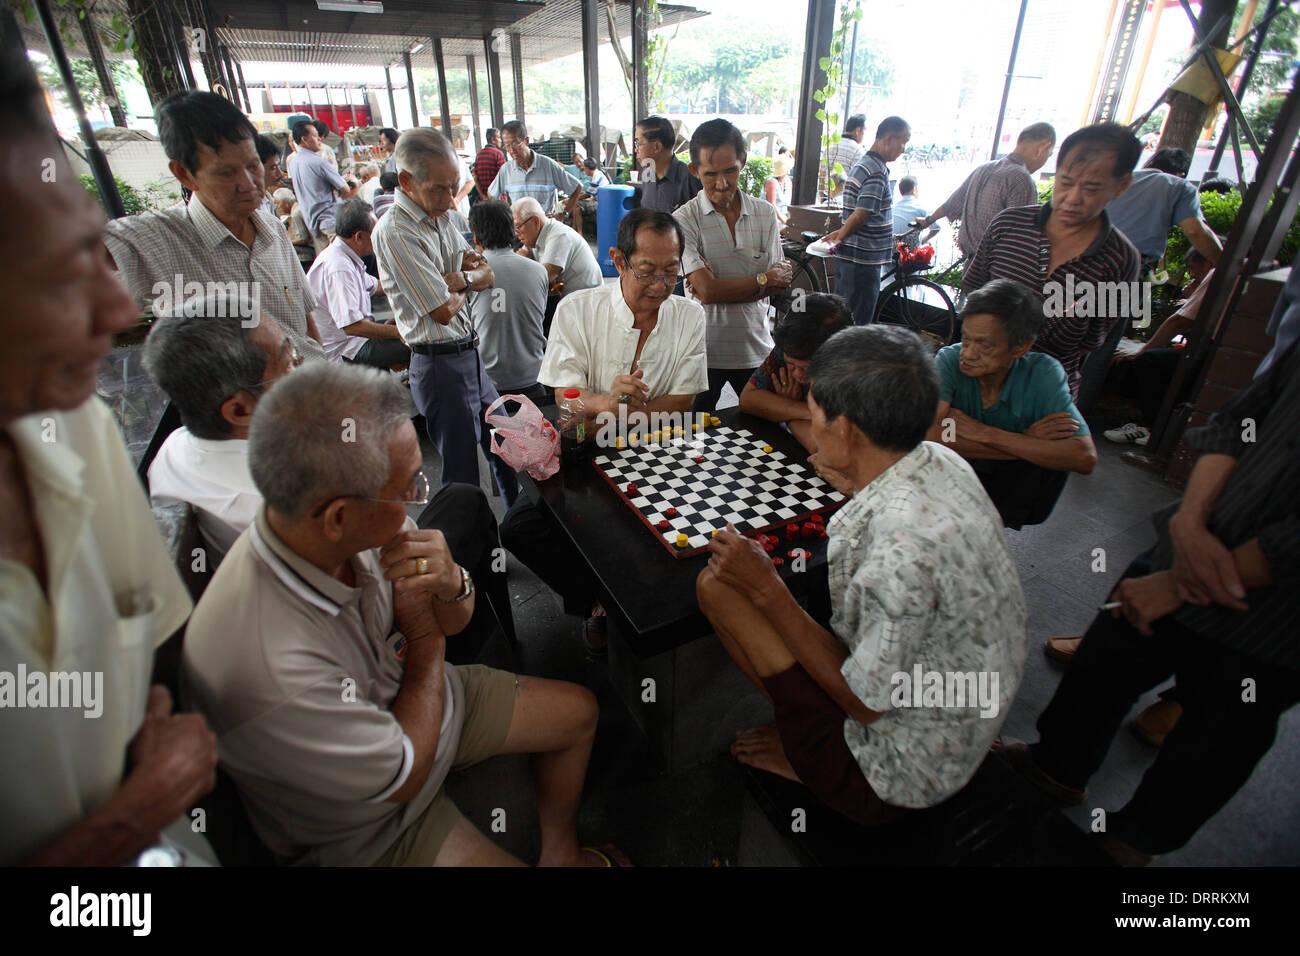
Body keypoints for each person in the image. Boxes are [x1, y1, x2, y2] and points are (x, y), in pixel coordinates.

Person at [181, 362, 624, 867]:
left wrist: (452, 584)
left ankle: (561, 855)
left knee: (579, 713)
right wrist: (427, 643)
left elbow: (455, 620)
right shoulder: (267, 662)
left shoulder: (344, 533)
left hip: (415, 697)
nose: (422, 497)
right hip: (372, 818)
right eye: (409, 487)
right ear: (338, 517)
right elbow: (406, 770)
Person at [0, 51, 218, 866]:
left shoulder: (80, 431)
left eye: (101, 251)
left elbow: (159, 632)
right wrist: (131, 819)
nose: (120, 307)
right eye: (63, 274)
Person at [697, 325, 1026, 826]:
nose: (808, 416)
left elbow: (867, 705)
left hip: (897, 775)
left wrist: (767, 589)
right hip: (970, 714)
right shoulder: (942, 459)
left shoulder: (901, 552)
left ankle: (811, 756)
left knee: (718, 587)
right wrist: (855, 480)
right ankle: (806, 729)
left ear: (846, 429)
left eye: (814, 411)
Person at [997, 337, 1300, 866]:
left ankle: (1131, 844)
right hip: (1192, 537)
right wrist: (1187, 519)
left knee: (1221, 730)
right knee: (1106, 659)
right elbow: (1234, 422)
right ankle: (1056, 768)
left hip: (1275, 620)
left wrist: (1179, 583)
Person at [500, 208, 707, 655]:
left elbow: (683, 404)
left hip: (657, 449)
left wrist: (598, 418)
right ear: (617, 258)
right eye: (646, 271)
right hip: (585, 451)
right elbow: (564, 396)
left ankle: (646, 605)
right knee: (520, 528)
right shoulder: (578, 308)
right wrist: (605, 403)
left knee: (656, 533)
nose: (659, 285)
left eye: (671, 272)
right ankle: (596, 600)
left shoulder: (689, 316)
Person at [103, 90, 326, 360]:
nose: (248, 184)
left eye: (253, 166)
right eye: (226, 173)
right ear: (185, 174)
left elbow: (304, 316)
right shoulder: (159, 237)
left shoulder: (272, 228)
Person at [371, 128, 518, 505]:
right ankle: (474, 557)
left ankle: (521, 522)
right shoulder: (396, 231)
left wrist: (458, 279)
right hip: (439, 364)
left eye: (454, 187)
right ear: (406, 181)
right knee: (463, 474)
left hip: (469, 354)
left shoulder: (440, 217)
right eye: (439, 188)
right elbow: (440, 309)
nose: (451, 200)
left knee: (504, 442)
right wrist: (469, 281)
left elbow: (484, 271)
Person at [961, 123, 1142, 403]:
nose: (1072, 199)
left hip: (1045, 397)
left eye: (1092, 189)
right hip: (973, 385)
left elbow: (1089, 342)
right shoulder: (1009, 224)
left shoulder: (1121, 260)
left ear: (1122, 186)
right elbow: (973, 292)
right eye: (1066, 182)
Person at [926, 279, 1096, 530]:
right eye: (966, 339)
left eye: (984, 345)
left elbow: (1083, 457)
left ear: (1021, 347)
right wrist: (1024, 440)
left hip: (1007, 491)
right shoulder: (950, 360)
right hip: (947, 481)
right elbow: (928, 435)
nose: (968, 354)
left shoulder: (1043, 374)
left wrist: (986, 433)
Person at [144, 295, 303, 561]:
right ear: (240, 410)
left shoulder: (176, 446)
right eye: (288, 363)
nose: (301, 373)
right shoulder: (294, 514)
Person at [674, 118, 792, 413]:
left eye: (731, 171)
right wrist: (762, 280)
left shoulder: (765, 214)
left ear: (743, 162)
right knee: (692, 440)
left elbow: (778, 286)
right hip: (702, 355)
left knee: (767, 440)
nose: (722, 183)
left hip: (756, 350)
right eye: (710, 174)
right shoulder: (683, 220)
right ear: (694, 171)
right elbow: (708, 291)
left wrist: (718, 288)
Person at [1102, 245, 1217, 447]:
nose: (1192, 274)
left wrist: (1141, 351)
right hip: (1211, 353)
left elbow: (1178, 322)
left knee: (1150, 360)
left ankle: (1152, 427)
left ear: (1208, 262)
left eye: (1192, 268)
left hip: (1209, 355)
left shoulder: (1217, 274)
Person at [915, 122, 1056, 257]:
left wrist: (928, 220)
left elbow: (952, 204)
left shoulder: (984, 168)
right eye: (1048, 155)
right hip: (995, 269)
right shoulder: (1022, 180)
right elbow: (1019, 237)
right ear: (1042, 148)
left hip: (971, 266)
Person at [823, 116, 912, 326]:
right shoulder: (876, 171)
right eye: (904, 142)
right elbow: (862, 214)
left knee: (842, 317)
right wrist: (840, 237)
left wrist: (840, 236)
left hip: (853, 257)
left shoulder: (863, 164)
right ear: (889, 138)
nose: (904, 149)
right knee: (857, 322)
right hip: (862, 260)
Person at [737, 292, 850, 452]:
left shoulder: (854, 374)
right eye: (791, 365)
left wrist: (784, 410)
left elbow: (822, 447)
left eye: (806, 368)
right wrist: (809, 411)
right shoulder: (791, 346)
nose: (797, 374)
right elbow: (748, 399)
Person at [307, 199, 410, 370]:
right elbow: (353, 326)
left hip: (354, 339)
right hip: (345, 350)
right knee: (418, 341)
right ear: (359, 236)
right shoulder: (339, 267)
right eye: (374, 233)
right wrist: (401, 332)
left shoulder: (345, 257)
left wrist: (411, 282)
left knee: (406, 325)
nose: (378, 238)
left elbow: (377, 286)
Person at [469, 200, 550, 404]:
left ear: (476, 238)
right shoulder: (539, 271)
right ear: (512, 232)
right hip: (533, 381)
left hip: (488, 387)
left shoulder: (469, 276)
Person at [1105, 148, 1223, 271]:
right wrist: (1224, 264)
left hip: (1089, 258)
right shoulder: (1180, 186)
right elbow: (1194, 231)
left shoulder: (1120, 180)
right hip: (1126, 265)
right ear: (1182, 173)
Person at [488, 120, 584, 230]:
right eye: (507, 146)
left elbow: (577, 188)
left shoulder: (548, 165)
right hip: (520, 232)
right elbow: (491, 194)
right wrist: (507, 214)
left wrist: (563, 215)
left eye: (515, 144)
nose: (511, 150)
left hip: (545, 229)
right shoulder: (506, 170)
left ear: (526, 141)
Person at [291, 119, 360, 255]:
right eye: (316, 136)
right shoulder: (319, 162)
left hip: (312, 223)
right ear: (304, 139)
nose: (320, 140)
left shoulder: (293, 162)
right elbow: (345, 189)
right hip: (330, 221)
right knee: (343, 261)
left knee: (326, 265)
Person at [512, 196, 603, 297]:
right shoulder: (533, 237)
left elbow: (541, 280)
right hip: (567, 299)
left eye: (518, 227)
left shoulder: (559, 235)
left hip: (587, 300)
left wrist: (526, 261)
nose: (516, 233)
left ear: (535, 221)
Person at [634, 114, 701, 213]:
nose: (636, 150)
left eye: (638, 144)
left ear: (657, 146)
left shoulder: (690, 178)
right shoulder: (648, 176)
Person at [822, 113, 866, 194]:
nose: (864, 135)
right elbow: (856, 180)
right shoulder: (858, 150)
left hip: (827, 196)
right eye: (864, 131)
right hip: (844, 199)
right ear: (857, 130)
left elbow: (822, 173)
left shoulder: (831, 144)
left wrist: (821, 198)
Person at [471, 127, 507, 204]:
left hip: (484, 200)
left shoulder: (479, 155)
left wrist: (482, 195)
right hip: (498, 200)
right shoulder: (498, 154)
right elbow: (504, 177)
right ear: (493, 140)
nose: (501, 141)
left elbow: (475, 178)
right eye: (499, 138)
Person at [256, 133, 284, 217]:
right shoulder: (255, 207)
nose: (280, 173)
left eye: (278, 165)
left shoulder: (267, 199)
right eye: (272, 168)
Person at [763, 152, 793, 225]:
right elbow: (772, 205)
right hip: (770, 219)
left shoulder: (788, 181)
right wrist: (785, 221)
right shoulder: (771, 182)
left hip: (783, 219)